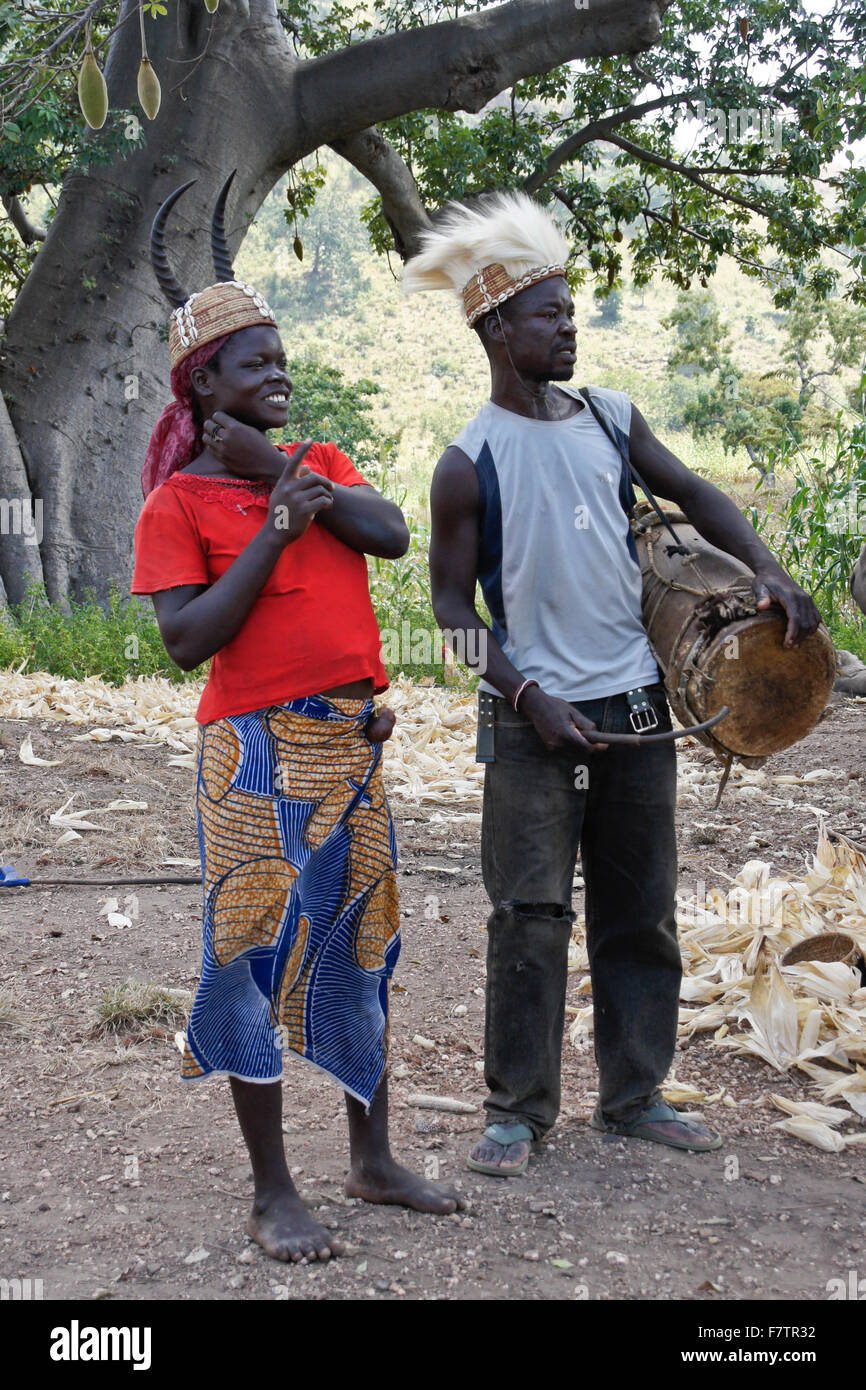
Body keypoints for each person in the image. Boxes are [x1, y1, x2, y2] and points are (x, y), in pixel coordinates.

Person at [403, 192, 821, 1177]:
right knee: (529, 916)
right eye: (549, 313)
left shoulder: (607, 417)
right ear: (496, 327)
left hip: (634, 708)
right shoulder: (467, 463)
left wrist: (763, 566)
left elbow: (695, 493)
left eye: (571, 311)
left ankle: (632, 1095)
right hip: (529, 726)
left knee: (638, 911)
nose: (568, 326)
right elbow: (452, 617)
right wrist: (524, 697)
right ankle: (517, 1113)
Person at [131, 175, 464, 1261]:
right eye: (254, 364)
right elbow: (188, 641)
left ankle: (369, 1160)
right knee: (248, 961)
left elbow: (388, 535)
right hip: (252, 757)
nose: (279, 373)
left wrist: (281, 477)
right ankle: (272, 1189)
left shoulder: (316, 464)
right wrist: (271, 530)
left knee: (360, 946)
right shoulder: (174, 504)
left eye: (281, 358)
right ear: (205, 387)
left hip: (352, 745)